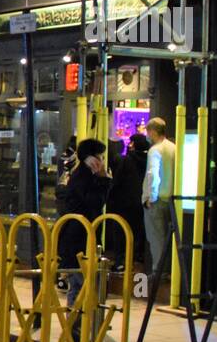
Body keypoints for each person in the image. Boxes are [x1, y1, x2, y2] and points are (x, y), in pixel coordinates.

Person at [58, 138, 112, 318]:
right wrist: (103, 179)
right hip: (78, 240)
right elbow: (96, 202)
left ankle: (78, 326)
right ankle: (75, 327)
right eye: (100, 157)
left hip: (81, 238)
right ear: (93, 159)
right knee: (80, 285)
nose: (103, 161)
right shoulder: (84, 177)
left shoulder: (83, 174)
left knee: (82, 284)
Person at [141, 117, 177, 276]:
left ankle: (159, 271)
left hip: (157, 199)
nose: (147, 135)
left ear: (153, 131)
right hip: (172, 199)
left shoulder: (155, 150)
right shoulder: (174, 147)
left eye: (148, 131)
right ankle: (170, 271)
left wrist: (150, 197)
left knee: (156, 237)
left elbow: (152, 174)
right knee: (170, 239)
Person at [106, 136, 146, 268]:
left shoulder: (126, 161)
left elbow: (117, 181)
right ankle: (135, 258)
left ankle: (121, 261)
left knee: (121, 232)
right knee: (136, 231)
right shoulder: (148, 159)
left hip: (123, 202)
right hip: (141, 202)